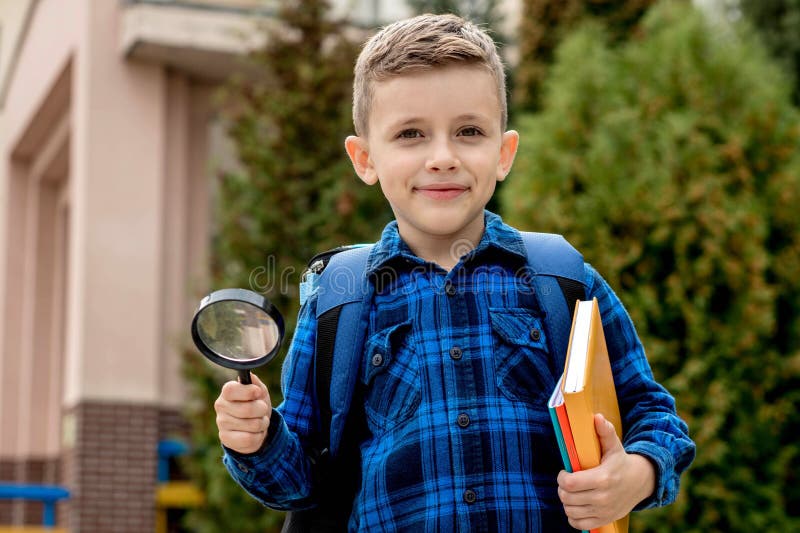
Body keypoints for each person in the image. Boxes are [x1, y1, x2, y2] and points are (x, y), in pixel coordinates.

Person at [213, 13, 696, 532]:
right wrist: (257, 439)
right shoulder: (341, 300)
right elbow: (302, 482)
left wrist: (637, 474)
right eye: (411, 134)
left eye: (469, 131)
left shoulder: (562, 280)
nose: (442, 157)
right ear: (365, 159)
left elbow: (653, 415)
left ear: (504, 152)